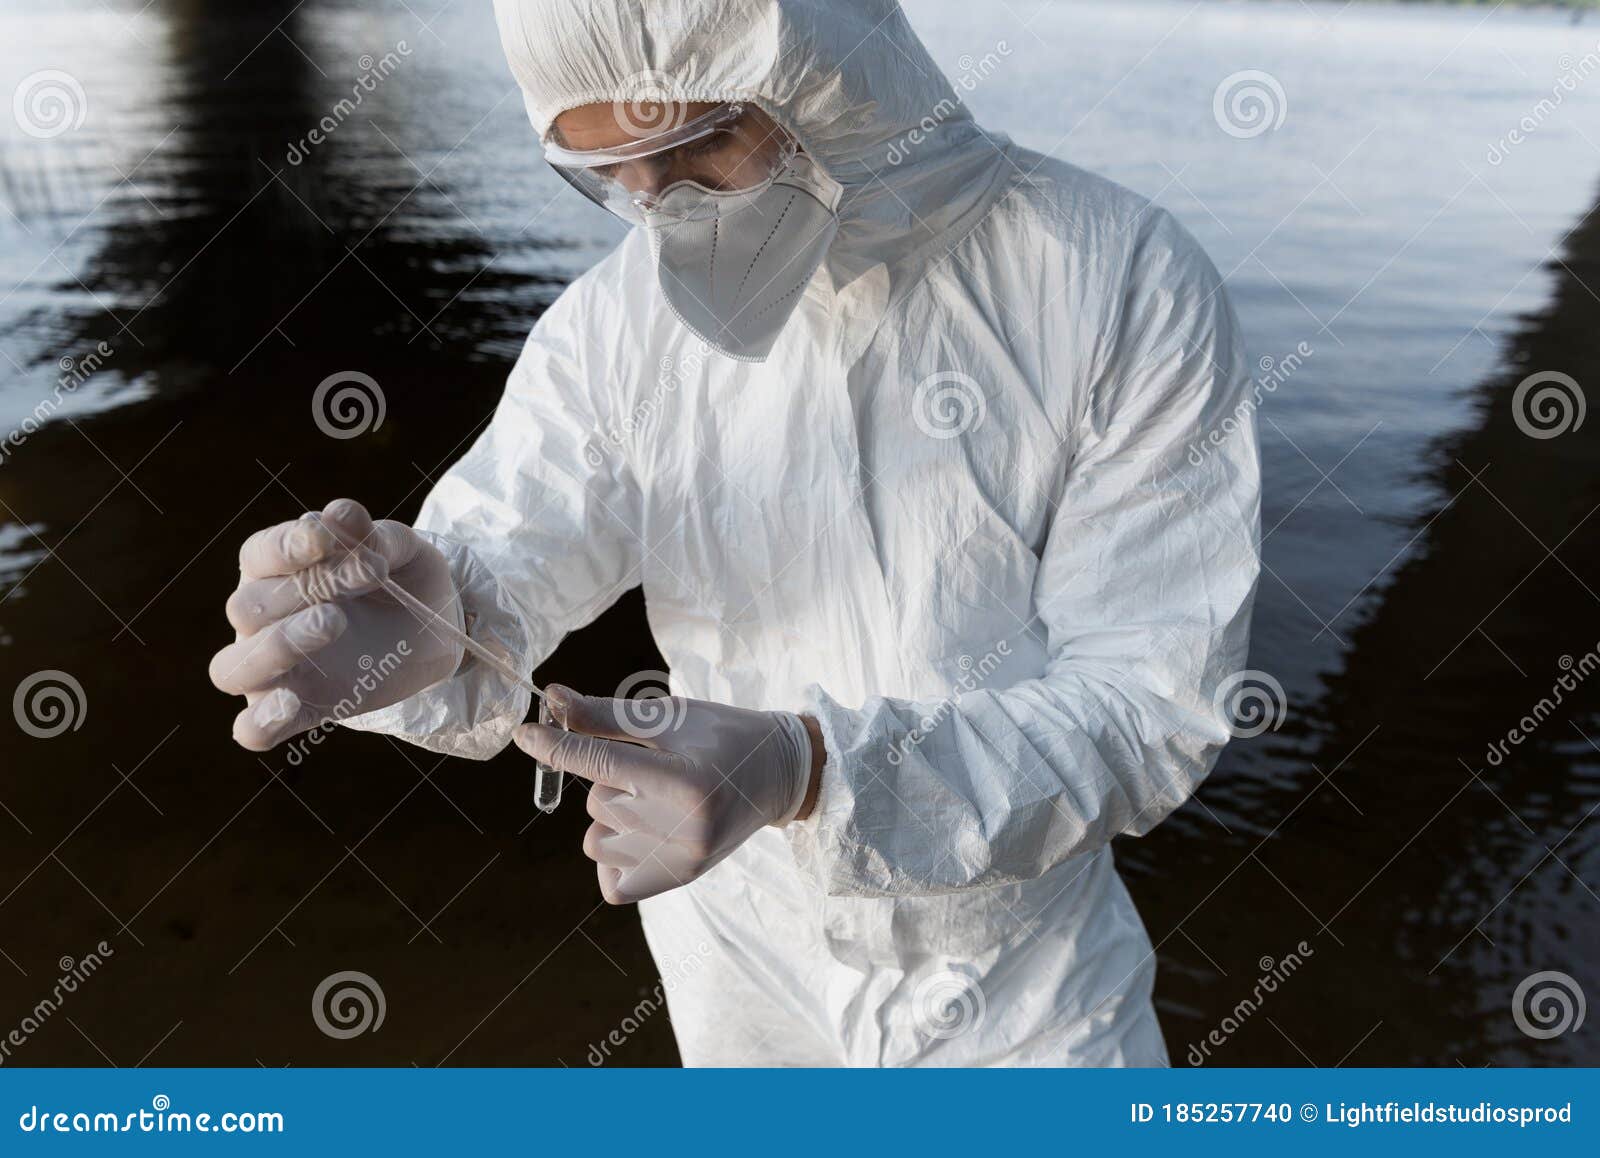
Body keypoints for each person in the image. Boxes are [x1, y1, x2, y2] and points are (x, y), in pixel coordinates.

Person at [209, 0, 1261, 1066]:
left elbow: (1145, 704)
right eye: (610, 171)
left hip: (1017, 980)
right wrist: (426, 627)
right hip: (735, 947)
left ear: (830, 77)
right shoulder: (616, 330)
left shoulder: (1115, 280)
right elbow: (504, 554)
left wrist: (814, 771)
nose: (661, 209)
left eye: (696, 145)